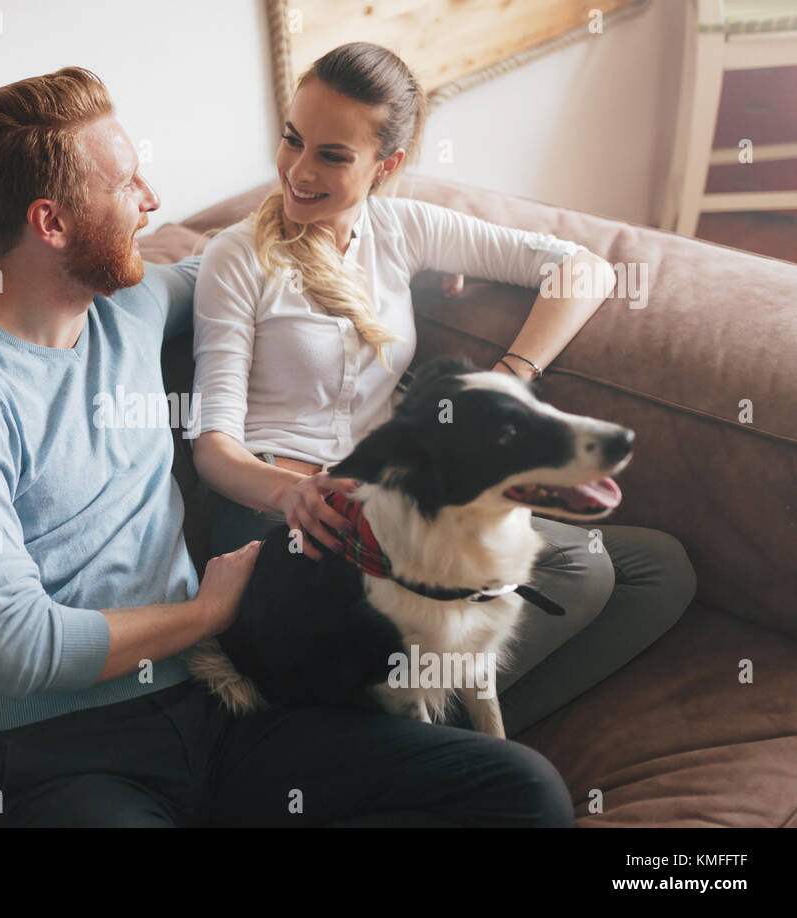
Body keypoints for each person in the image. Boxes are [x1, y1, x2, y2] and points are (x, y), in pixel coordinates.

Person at [0, 64, 575, 827]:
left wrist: (396, 248)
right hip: (61, 757)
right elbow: (10, 645)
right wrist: (207, 614)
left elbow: (254, 254)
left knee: (524, 793)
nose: (151, 202)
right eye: (126, 187)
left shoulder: (132, 306)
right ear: (51, 224)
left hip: (215, 721)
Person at [190, 41, 697, 738]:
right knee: (579, 567)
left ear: (386, 166)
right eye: (292, 140)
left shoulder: (402, 228)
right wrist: (290, 493)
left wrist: (511, 374)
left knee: (655, 571)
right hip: (287, 518)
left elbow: (584, 270)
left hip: (399, 508)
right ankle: (436, 741)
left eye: (334, 156)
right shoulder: (235, 258)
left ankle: (432, 744)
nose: (298, 172)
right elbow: (212, 447)